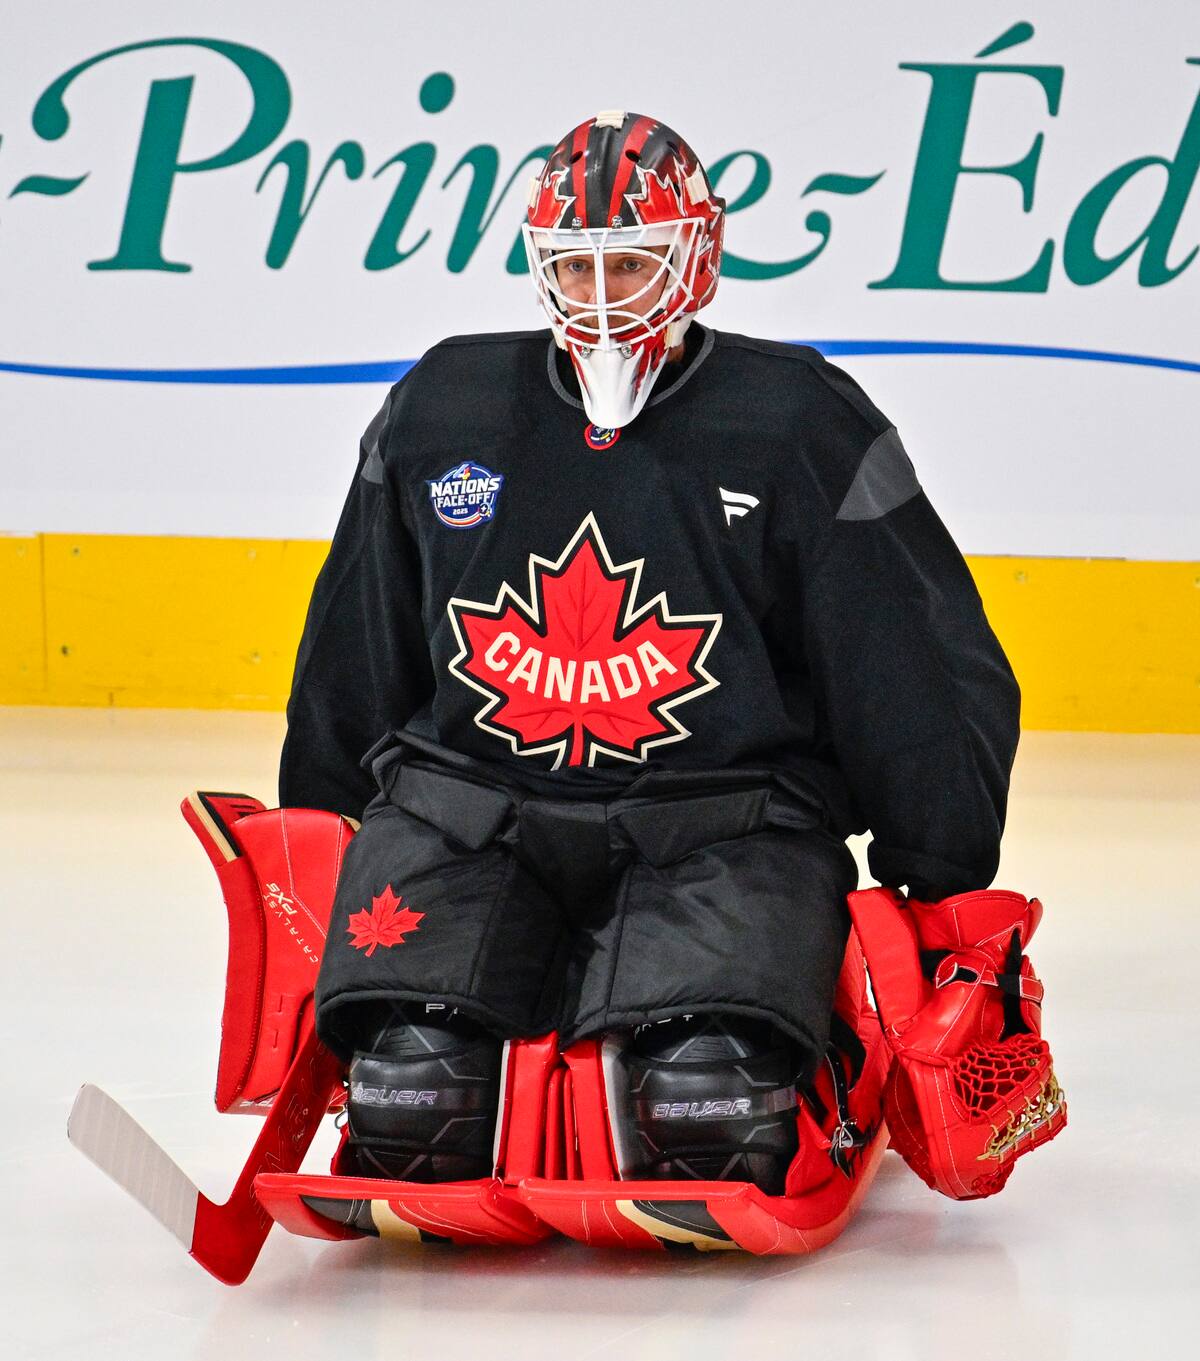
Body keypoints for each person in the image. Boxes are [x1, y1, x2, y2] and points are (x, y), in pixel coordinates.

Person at [279, 111, 1021, 1193]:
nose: (601, 296)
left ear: (697, 256)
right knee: (414, 1101)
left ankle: (784, 1063)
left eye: (630, 263)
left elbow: (907, 650)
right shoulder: (444, 407)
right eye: (574, 268)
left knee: (707, 1109)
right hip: (470, 815)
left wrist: (938, 870)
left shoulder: (797, 422)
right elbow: (358, 630)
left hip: (722, 825)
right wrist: (316, 821)